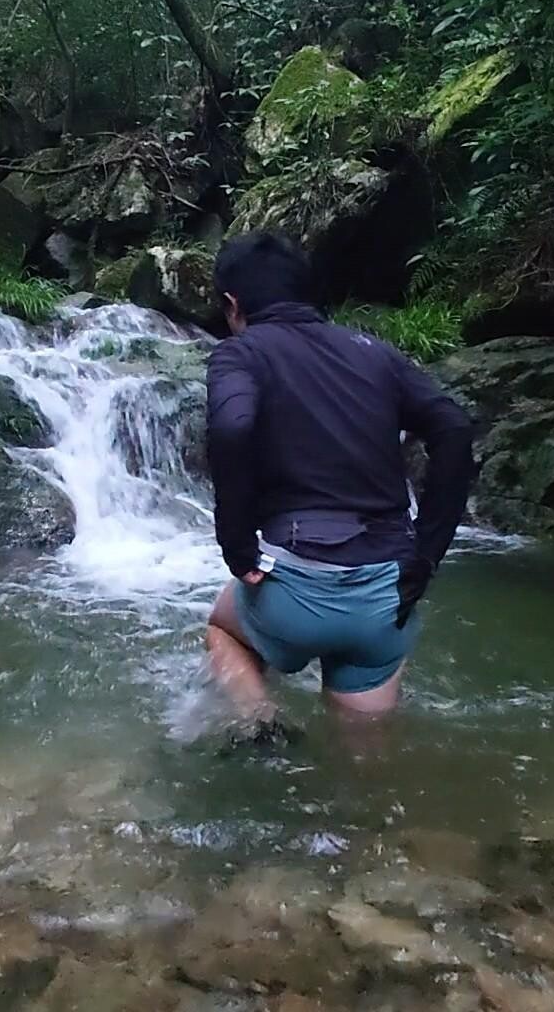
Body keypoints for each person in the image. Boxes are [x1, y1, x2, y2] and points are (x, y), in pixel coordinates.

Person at [203, 231, 477, 728]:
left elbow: (231, 426)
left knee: (223, 630)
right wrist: (428, 553)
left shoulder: (240, 353)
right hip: (388, 599)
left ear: (232, 304)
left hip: (294, 595)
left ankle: (260, 722)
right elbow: (455, 429)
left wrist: (237, 546)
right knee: (363, 766)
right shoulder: (375, 352)